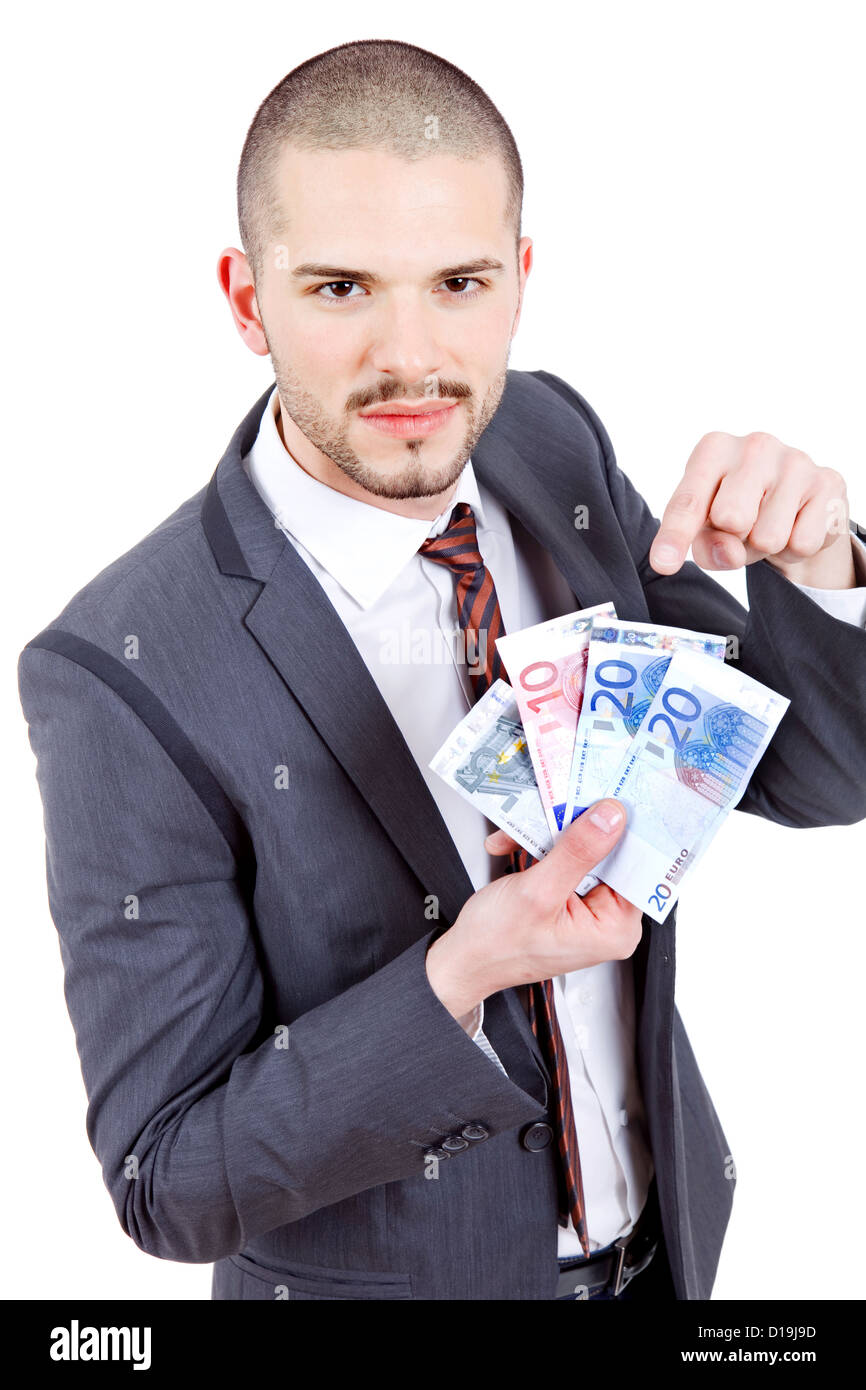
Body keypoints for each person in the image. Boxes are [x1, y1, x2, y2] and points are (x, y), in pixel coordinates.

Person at [18, 39, 866, 1302]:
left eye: (458, 282)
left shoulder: (548, 439)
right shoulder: (119, 667)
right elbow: (167, 1178)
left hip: (669, 1264)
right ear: (248, 301)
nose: (410, 359)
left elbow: (810, 772)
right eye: (342, 288)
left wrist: (822, 571)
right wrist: (456, 977)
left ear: (519, 281)